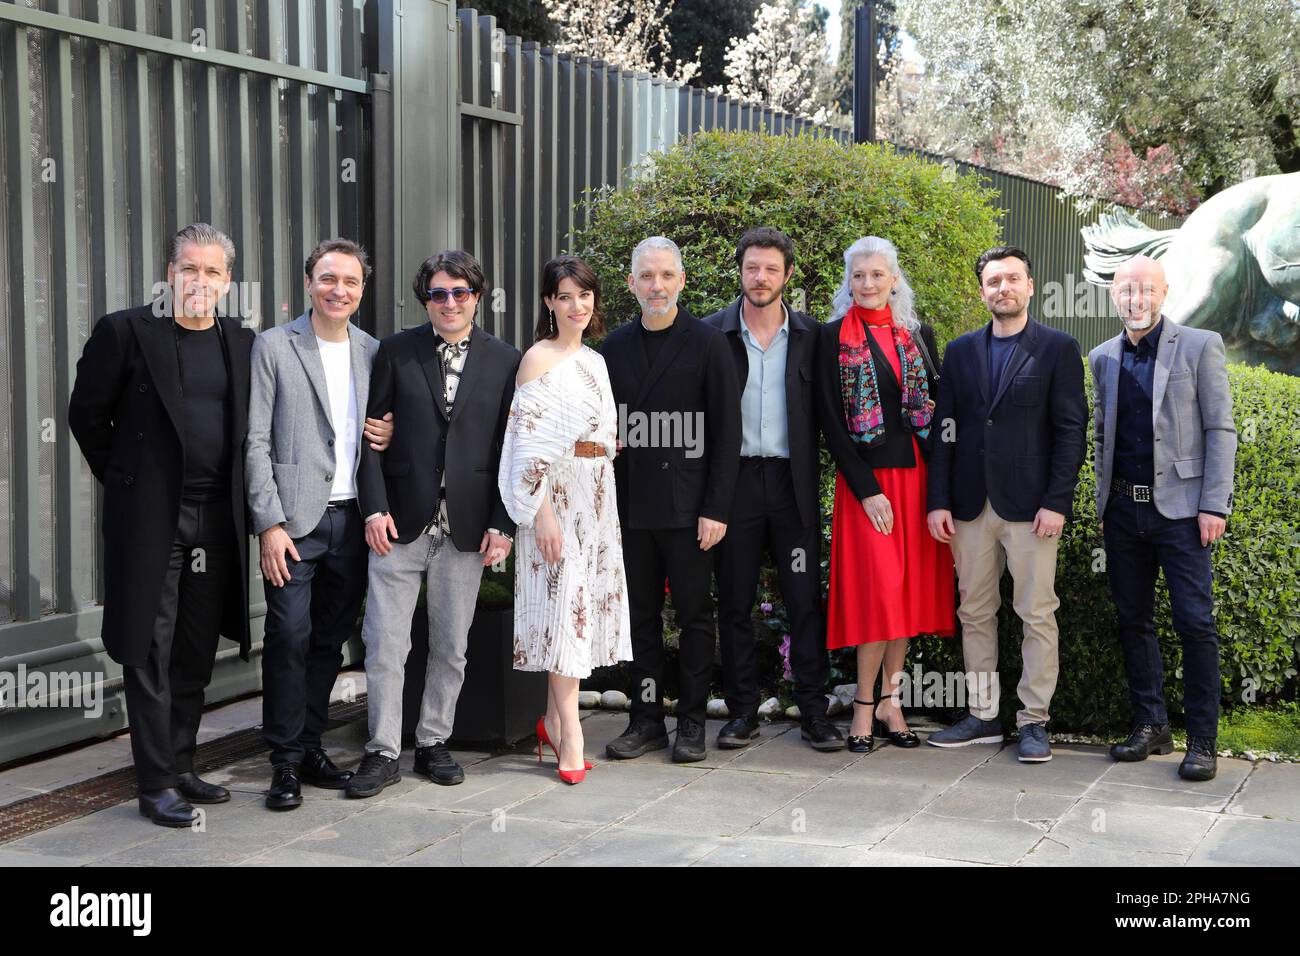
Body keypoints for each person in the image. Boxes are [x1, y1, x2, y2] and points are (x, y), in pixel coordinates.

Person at [69, 222, 255, 826]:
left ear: (228, 282)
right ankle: (153, 784)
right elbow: (86, 416)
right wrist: (129, 484)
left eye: (212, 272)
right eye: (188, 269)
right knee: (150, 646)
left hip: (216, 520)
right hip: (154, 519)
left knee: (195, 648)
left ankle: (180, 764)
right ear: (168, 273)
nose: (198, 281)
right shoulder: (126, 332)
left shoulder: (242, 342)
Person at [349, 250, 520, 796]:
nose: (450, 302)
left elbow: (509, 449)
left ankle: (432, 741)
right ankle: (381, 751)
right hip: (399, 523)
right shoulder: (396, 352)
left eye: (460, 292)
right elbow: (371, 436)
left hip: (466, 528)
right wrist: (373, 508)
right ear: (425, 299)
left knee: (451, 644)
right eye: (439, 293)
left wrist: (503, 522)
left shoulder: (505, 360)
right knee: (385, 643)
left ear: (477, 295)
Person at [245, 238, 394, 810]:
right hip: (294, 526)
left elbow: (376, 431)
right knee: (288, 637)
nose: (339, 290)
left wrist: (389, 434)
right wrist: (269, 525)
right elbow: (255, 441)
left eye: (351, 282)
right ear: (309, 282)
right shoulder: (274, 347)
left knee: (329, 643)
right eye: (328, 279)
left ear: (362, 289)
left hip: (353, 523)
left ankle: (309, 746)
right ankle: (282, 763)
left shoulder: (373, 350)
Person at [925, 245, 1087, 762]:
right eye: (994, 281)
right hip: (970, 508)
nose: (1004, 288)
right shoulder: (960, 352)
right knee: (974, 611)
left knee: (1036, 613)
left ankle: (1034, 720)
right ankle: (984, 715)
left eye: (1013, 279)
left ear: (1031, 286)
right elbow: (942, 432)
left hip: (1032, 509)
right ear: (982, 291)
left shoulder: (1058, 349)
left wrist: (1057, 501)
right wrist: (938, 499)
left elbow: (1070, 430)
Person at [1090, 255, 1236, 781]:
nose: (1136, 298)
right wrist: (1104, 502)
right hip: (1124, 513)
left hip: (1182, 513)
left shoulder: (1199, 346)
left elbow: (1220, 429)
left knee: (1195, 624)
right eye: (1126, 290)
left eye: (1146, 289)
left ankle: (1202, 740)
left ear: (1163, 292)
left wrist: (1214, 503)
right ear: (1114, 296)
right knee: (1134, 621)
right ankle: (1152, 725)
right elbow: (1103, 435)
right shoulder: (1102, 357)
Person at [599, 236, 742, 763]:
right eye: (646, 276)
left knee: (694, 617)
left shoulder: (709, 344)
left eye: (665, 275)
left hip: (690, 510)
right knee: (638, 618)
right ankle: (646, 720)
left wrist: (717, 508)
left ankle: (692, 722)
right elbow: (601, 429)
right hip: (630, 507)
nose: (655, 286)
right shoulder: (611, 348)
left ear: (681, 280)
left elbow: (728, 433)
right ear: (632, 283)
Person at [704, 227, 843, 752]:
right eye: (751, 268)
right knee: (734, 602)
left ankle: (814, 712)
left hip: (792, 486)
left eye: (770, 269)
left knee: (805, 600)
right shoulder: (712, 333)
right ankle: (742, 711)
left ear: (787, 275)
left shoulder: (813, 337)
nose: (759, 278)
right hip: (734, 485)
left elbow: (831, 418)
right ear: (740, 272)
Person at [498, 256, 633, 784]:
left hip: (596, 497)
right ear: (549, 302)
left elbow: (599, 430)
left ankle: (553, 719)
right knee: (564, 611)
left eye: (586, 295)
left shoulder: (596, 362)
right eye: (566, 296)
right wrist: (543, 514)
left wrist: (603, 448)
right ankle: (572, 733)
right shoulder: (537, 358)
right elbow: (527, 446)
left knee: (581, 609)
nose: (578, 305)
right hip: (553, 500)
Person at [817, 236, 954, 752]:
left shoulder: (920, 335)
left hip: (916, 481)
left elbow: (935, 411)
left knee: (906, 597)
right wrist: (868, 490)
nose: (868, 284)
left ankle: (893, 701)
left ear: (895, 279)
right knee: (877, 597)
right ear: (848, 282)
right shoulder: (831, 338)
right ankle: (863, 707)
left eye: (877, 275)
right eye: (858, 276)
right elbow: (831, 423)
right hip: (866, 490)